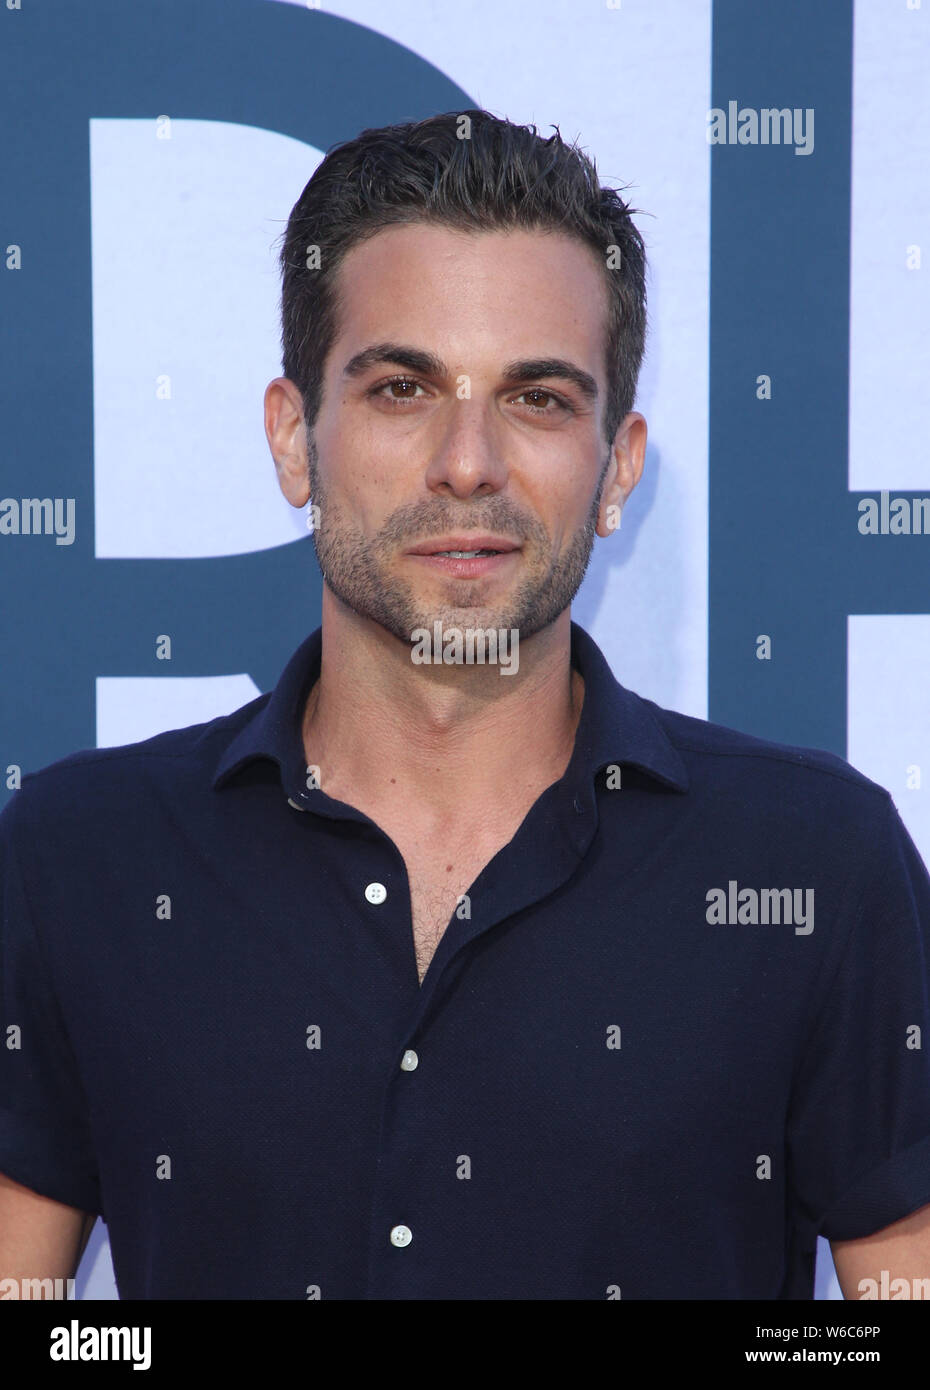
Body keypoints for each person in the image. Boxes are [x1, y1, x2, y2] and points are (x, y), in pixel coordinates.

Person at [1, 109, 929, 1301]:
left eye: (537, 398)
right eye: (402, 388)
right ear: (294, 440)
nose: (468, 461)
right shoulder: (82, 859)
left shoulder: (818, 866)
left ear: (618, 466)